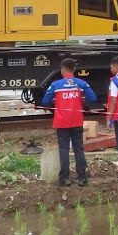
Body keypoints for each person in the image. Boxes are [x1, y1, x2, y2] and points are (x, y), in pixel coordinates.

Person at [41, 57, 98, 187]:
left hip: (61, 122)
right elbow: (93, 98)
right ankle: (82, 177)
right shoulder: (81, 84)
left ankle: (65, 178)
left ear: (63, 70)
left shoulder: (56, 85)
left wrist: (55, 102)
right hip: (77, 120)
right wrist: (83, 102)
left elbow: (45, 102)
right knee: (79, 149)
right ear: (73, 70)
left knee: (64, 149)